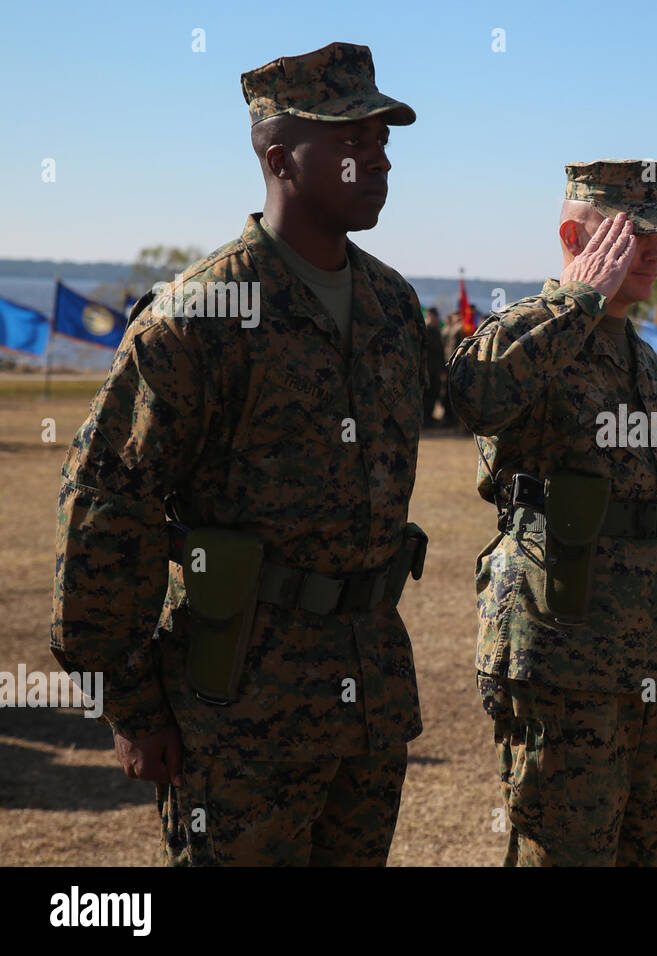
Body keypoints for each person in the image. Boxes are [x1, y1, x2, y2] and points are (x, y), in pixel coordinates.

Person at [50, 42, 428, 866]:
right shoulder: (201, 316)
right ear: (277, 156)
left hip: (369, 699)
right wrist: (133, 707)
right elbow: (109, 509)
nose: (377, 157)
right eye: (349, 139)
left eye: (382, 138)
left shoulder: (396, 305)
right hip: (240, 712)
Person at [447, 159, 657, 866]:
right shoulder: (532, 332)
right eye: (636, 233)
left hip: (647, 660)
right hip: (561, 658)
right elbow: (473, 393)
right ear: (575, 235)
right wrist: (571, 305)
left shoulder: (638, 355)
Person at [423, 305, 445, 428]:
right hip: (427, 369)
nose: (434, 319)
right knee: (426, 394)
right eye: (432, 316)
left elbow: (440, 352)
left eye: (436, 316)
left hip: (435, 369)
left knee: (434, 393)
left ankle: (429, 418)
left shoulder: (436, 331)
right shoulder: (425, 330)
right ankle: (425, 419)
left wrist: (442, 368)